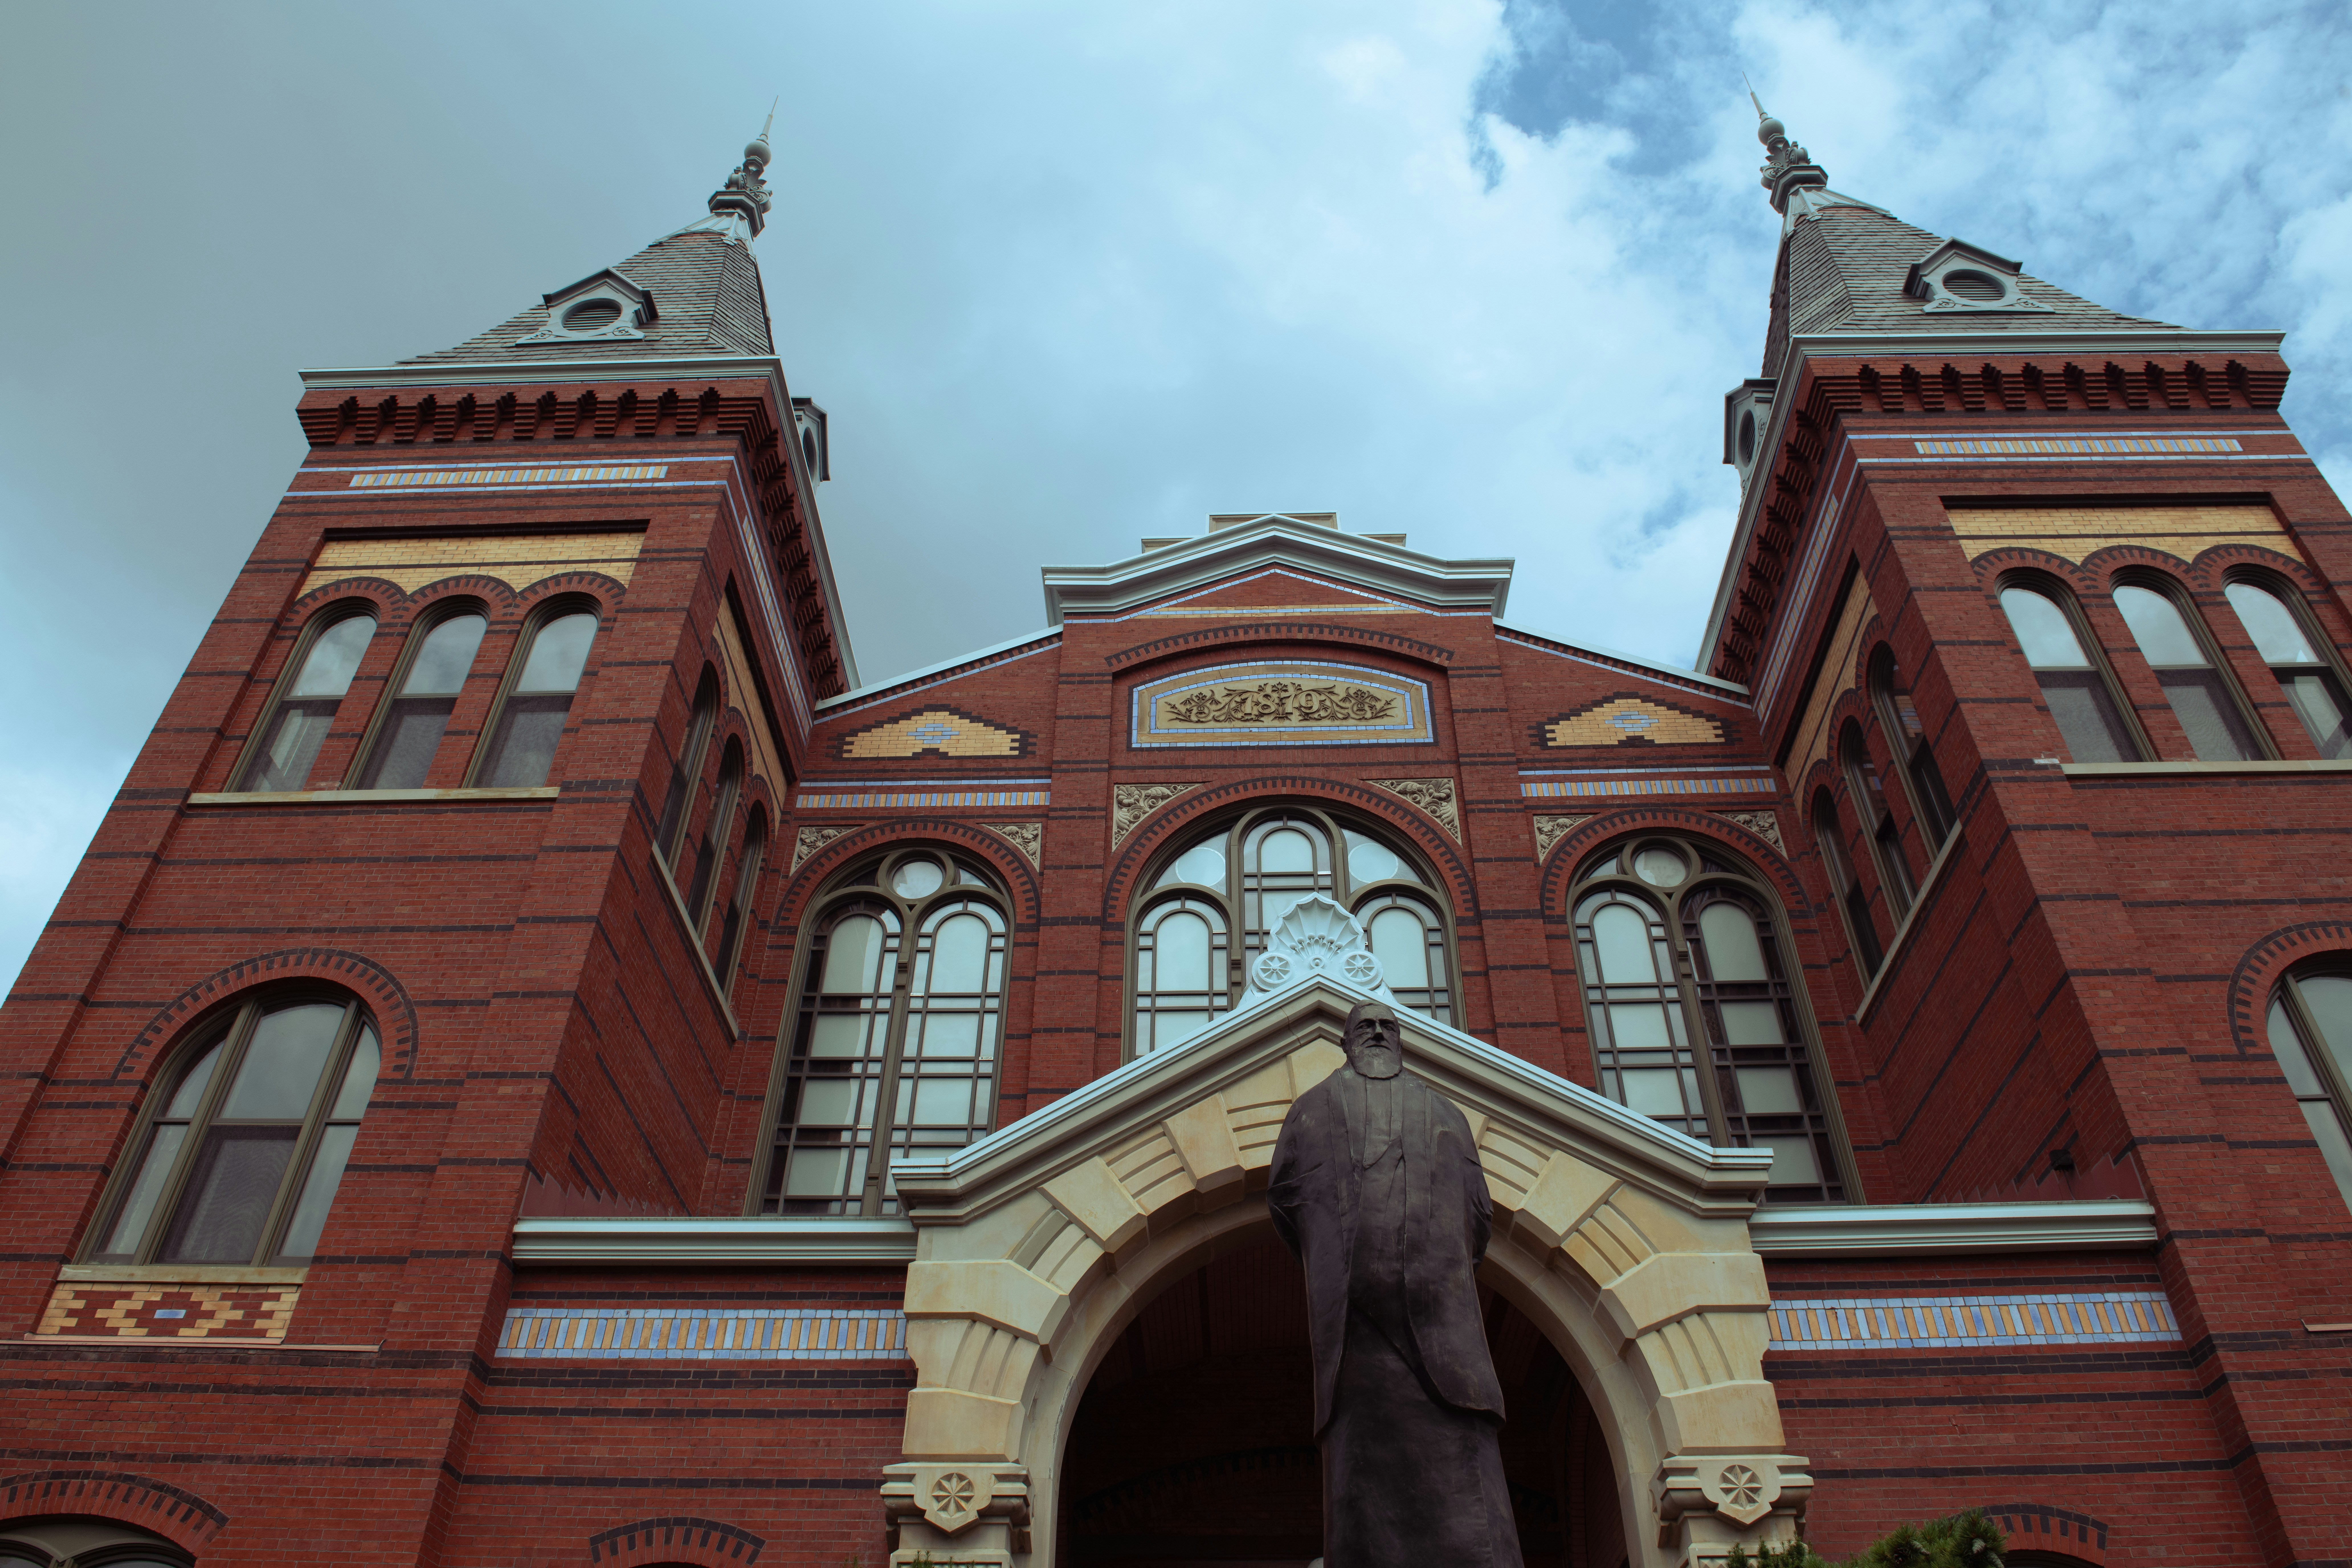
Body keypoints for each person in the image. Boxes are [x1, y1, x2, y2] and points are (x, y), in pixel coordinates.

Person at [1267, 1000, 1523, 1567]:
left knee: (1473, 1514)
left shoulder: (1445, 1114)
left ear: (1402, 1040)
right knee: (1363, 1498)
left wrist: (1435, 1271)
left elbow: (1478, 1215)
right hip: (1357, 1340)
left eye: (1388, 1027)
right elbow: (1286, 1202)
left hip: (1445, 1343)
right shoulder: (1310, 1112)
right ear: (1346, 1042)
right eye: (1366, 1027)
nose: (1379, 1035)